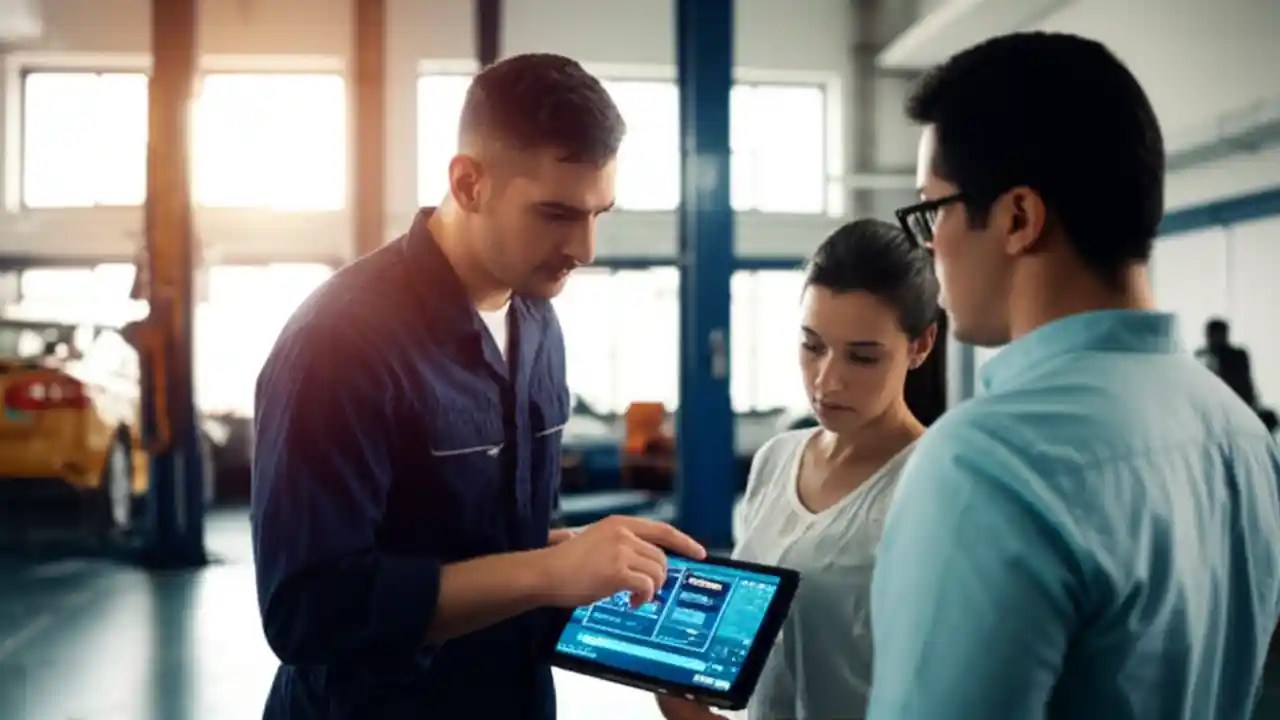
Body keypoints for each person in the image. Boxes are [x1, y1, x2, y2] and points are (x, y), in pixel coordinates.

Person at [250, 53, 705, 720]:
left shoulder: (537, 320)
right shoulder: (338, 342)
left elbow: (494, 544)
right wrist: (546, 573)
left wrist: (577, 559)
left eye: (597, 213)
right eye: (555, 213)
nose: (585, 248)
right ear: (468, 183)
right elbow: (307, 613)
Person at [868, 32, 1280, 720]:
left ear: (1018, 218)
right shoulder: (1238, 431)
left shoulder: (987, 460)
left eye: (933, 210)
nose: (930, 244)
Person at [657, 219, 940, 720]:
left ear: (920, 346)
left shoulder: (935, 485)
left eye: (862, 357)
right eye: (812, 346)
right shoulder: (776, 460)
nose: (827, 381)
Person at [1195, 318, 1259, 409]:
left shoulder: (1236, 356)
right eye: (1212, 335)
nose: (1215, 338)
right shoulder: (1200, 357)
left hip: (1234, 403)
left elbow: (1243, 386)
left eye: (1218, 334)